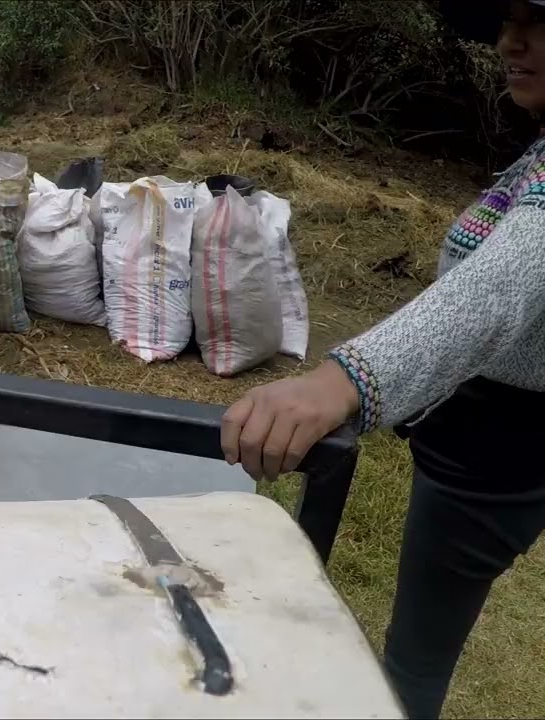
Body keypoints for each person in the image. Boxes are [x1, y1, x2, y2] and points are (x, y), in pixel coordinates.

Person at [220, 1, 545, 716]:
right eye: (506, 21)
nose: (509, 42)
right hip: (484, 446)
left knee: (408, 673)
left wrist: (346, 381)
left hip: (495, 460)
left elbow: (499, 287)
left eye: (537, 21)